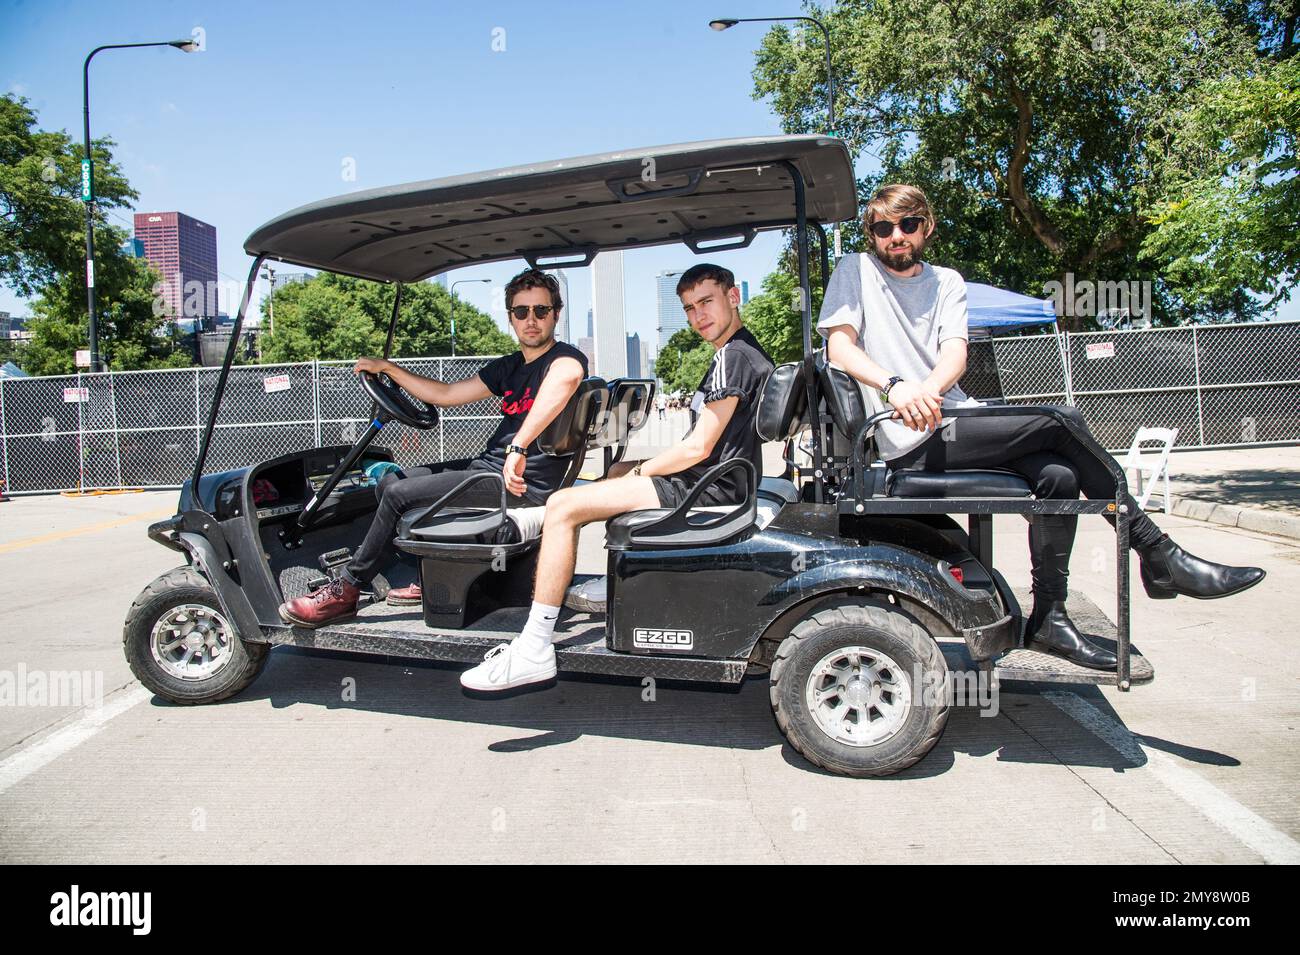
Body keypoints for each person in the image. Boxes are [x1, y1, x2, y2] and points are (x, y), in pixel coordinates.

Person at [818, 184, 1264, 670]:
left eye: (907, 225)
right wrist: (896, 387)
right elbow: (840, 347)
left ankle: (1050, 617)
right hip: (907, 432)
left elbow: (955, 353)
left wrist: (929, 388)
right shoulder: (855, 270)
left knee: (1059, 477)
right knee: (1061, 420)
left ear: (926, 227)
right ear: (872, 233)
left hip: (951, 416)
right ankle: (1158, 553)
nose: (896, 236)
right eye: (884, 227)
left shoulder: (947, 282)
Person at [459, 263, 775, 691]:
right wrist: (629, 473)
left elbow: (698, 448)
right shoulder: (738, 351)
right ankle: (608, 574)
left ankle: (534, 647)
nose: (698, 315)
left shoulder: (733, 357)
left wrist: (643, 470)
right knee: (614, 471)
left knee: (563, 505)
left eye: (706, 302)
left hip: (709, 489)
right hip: (716, 479)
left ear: (733, 297)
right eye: (689, 308)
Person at [279, 268, 588, 628]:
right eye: (522, 311)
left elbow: (568, 377)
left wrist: (518, 446)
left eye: (541, 310)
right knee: (391, 481)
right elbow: (447, 393)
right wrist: (390, 369)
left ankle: (347, 589)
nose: (531, 320)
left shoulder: (564, 359)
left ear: (556, 314)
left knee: (398, 495)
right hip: (489, 470)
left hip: (521, 485)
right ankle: (427, 572)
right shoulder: (511, 367)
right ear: (511, 317)